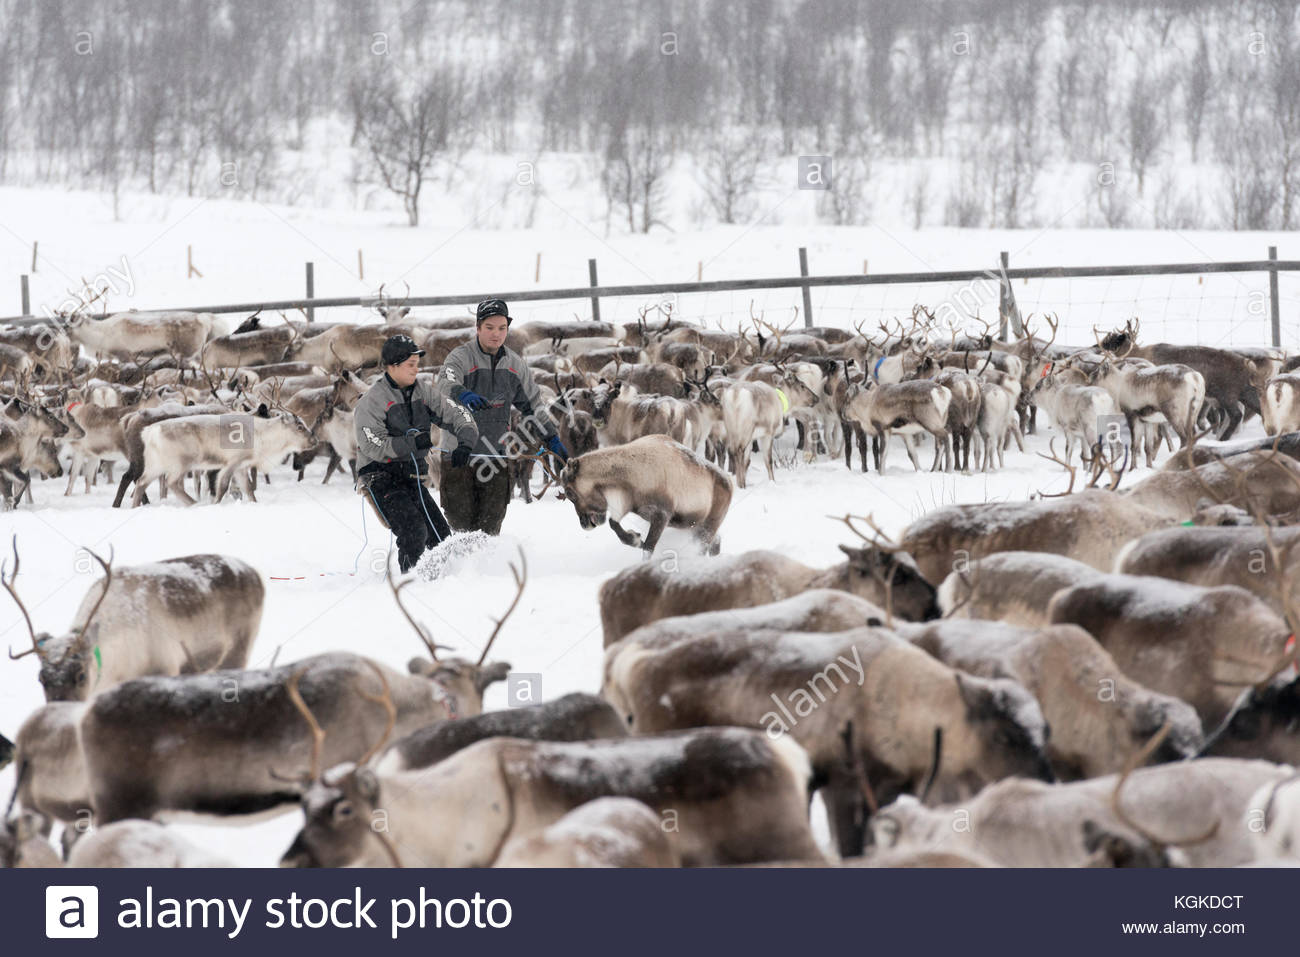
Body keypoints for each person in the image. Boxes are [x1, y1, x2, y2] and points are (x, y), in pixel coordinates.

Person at [436, 298, 568, 535]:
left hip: (495, 458)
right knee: (460, 529)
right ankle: (457, 572)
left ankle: (486, 570)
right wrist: (461, 392)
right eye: (489, 328)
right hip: (459, 457)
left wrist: (552, 439)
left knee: (490, 529)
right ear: (477, 328)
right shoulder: (460, 357)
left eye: (501, 328)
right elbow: (445, 381)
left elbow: (533, 406)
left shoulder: (515, 365)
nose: (496, 334)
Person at [354, 334, 479, 573]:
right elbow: (372, 444)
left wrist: (466, 441)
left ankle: (438, 583)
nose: (416, 369)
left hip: (411, 476)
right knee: (414, 531)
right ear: (392, 366)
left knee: (441, 535)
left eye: (417, 363)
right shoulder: (372, 402)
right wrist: (409, 443)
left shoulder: (424, 393)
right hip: (380, 478)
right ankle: (408, 584)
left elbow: (456, 413)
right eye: (411, 364)